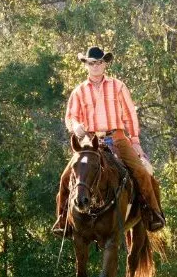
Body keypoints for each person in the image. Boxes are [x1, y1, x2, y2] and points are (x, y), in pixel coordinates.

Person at [52, 46, 165, 236]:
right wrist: (76, 126)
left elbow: (130, 114)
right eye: (91, 63)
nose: (95, 66)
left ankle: (154, 213)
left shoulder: (118, 86)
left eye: (99, 63)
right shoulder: (79, 91)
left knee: (141, 171)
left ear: (105, 64)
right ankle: (63, 221)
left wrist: (135, 141)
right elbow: (70, 116)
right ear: (86, 65)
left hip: (117, 137)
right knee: (65, 177)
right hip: (90, 141)